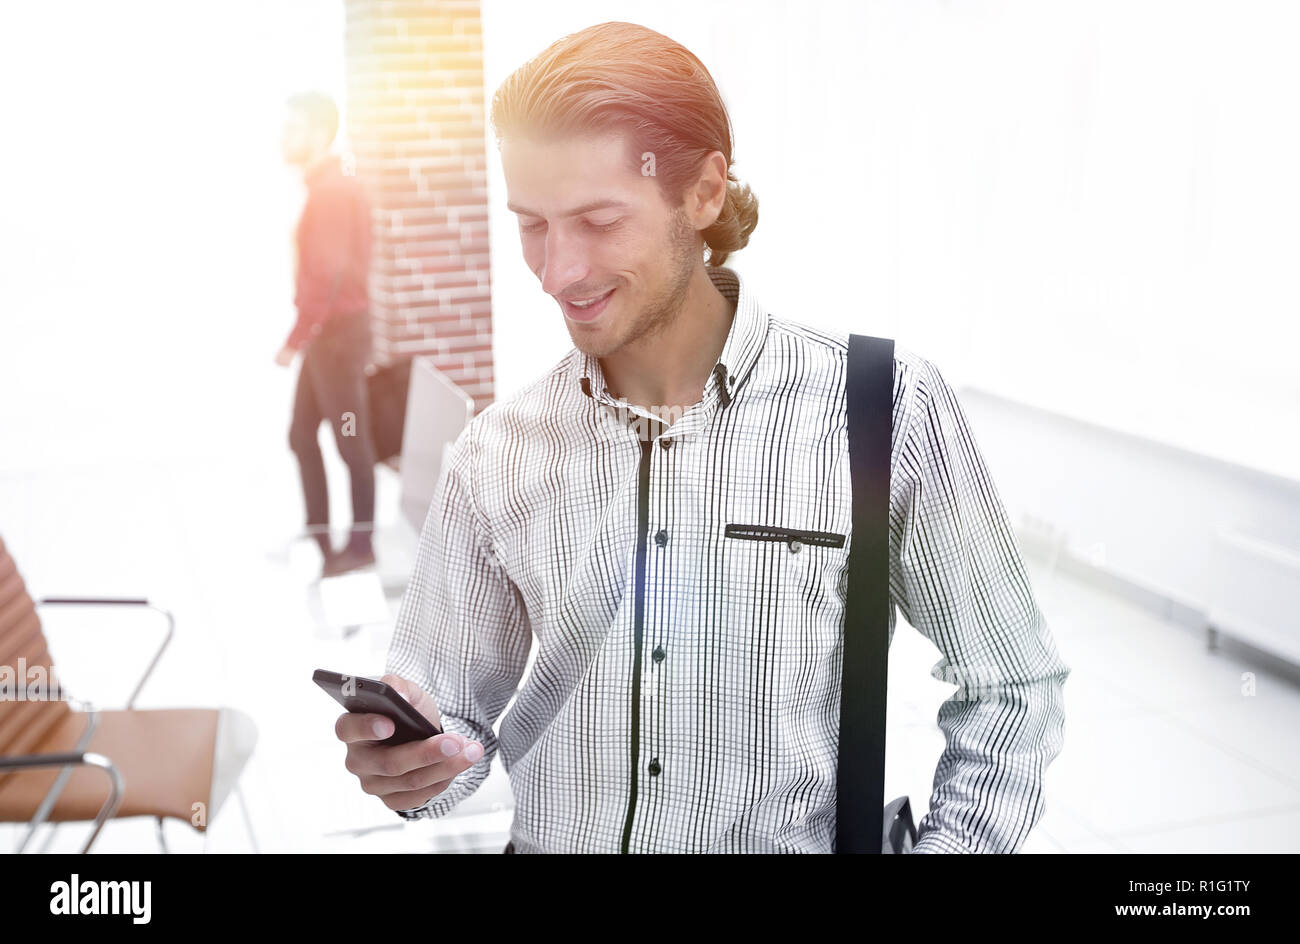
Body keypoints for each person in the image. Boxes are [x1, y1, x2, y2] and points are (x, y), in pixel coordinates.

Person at [333, 21, 1071, 853]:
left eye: (598, 219)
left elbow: (1013, 685)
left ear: (705, 193)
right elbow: (451, 718)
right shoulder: (497, 450)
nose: (557, 271)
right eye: (532, 223)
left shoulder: (882, 410)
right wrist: (418, 763)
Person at [277, 91, 377, 578]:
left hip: (335, 338)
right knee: (300, 434)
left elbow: (329, 274)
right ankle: (321, 538)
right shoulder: (327, 186)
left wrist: (297, 336)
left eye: (292, 128)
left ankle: (360, 546)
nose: (283, 136)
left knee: (351, 441)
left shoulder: (334, 190)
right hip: (326, 336)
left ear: (317, 134)